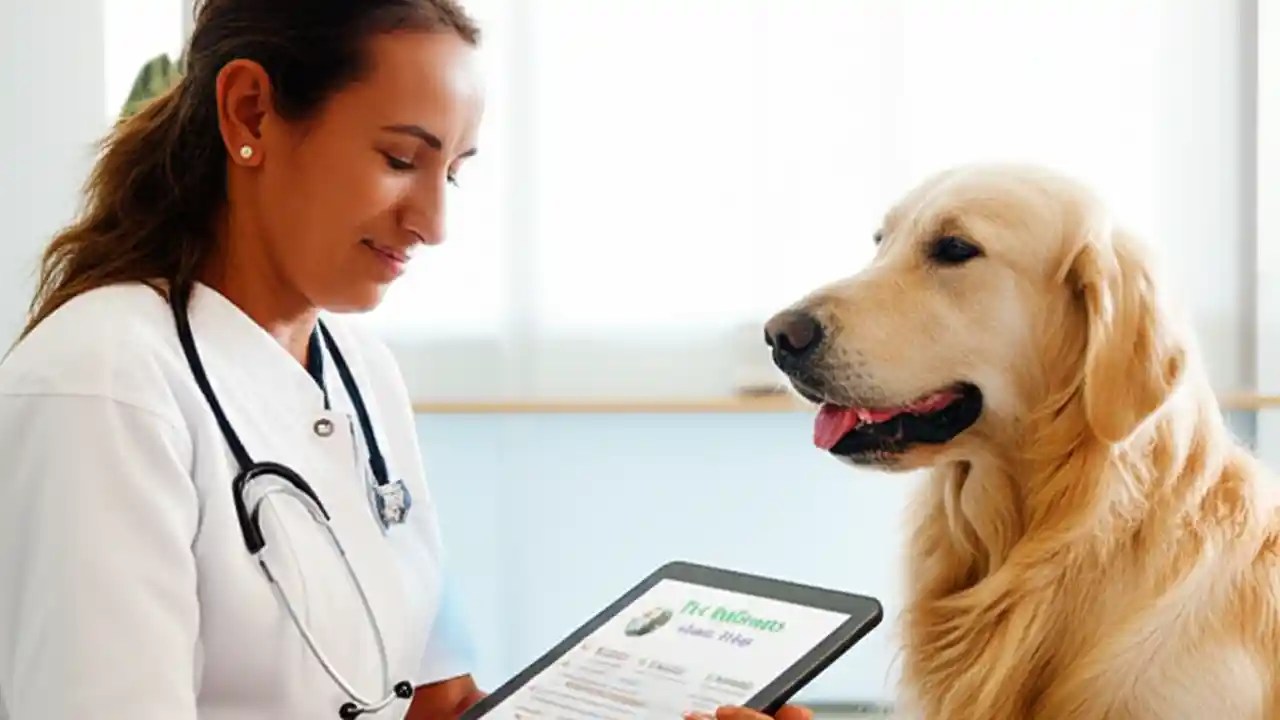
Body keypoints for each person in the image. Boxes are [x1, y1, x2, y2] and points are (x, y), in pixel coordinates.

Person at [0, 2, 815, 719]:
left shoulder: (359, 367)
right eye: (399, 159)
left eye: (452, 173)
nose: (433, 223)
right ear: (250, 113)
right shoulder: (102, 382)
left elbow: (437, 701)